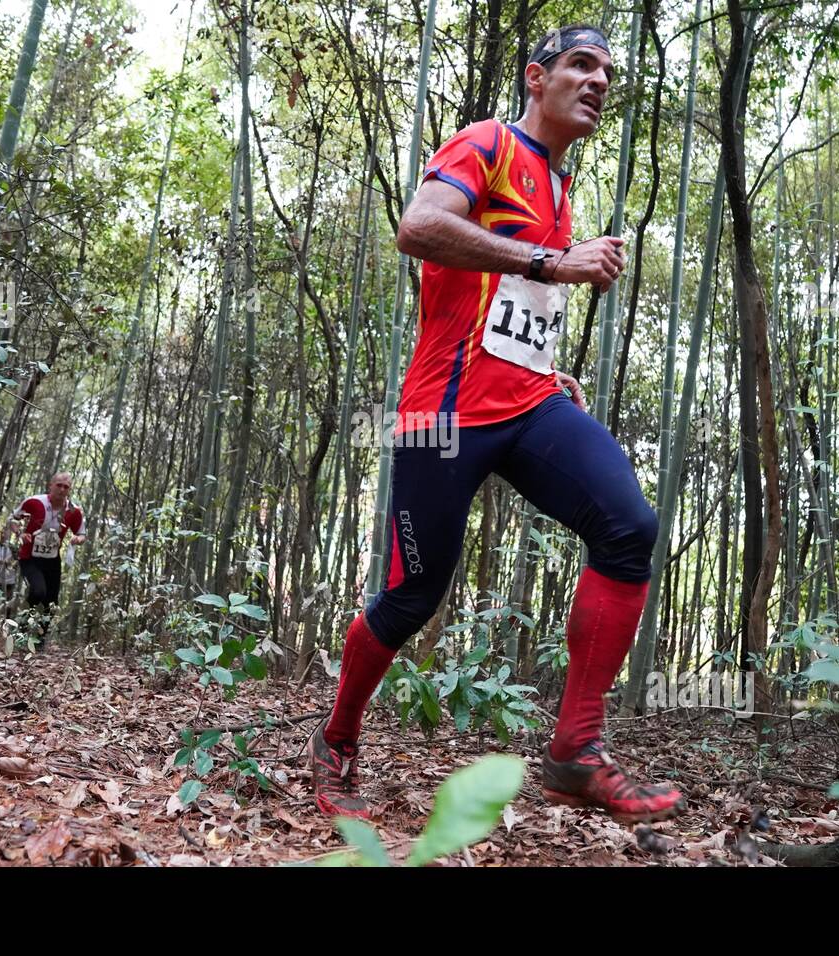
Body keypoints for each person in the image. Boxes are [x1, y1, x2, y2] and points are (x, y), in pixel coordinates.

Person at [308, 24, 684, 824]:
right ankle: (338, 737)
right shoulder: (485, 143)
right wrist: (553, 263)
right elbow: (418, 227)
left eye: (606, 73)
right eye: (580, 67)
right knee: (413, 596)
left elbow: (511, 304)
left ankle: (575, 755)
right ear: (535, 78)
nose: (598, 82)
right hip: (442, 414)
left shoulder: (558, 185)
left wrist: (548, 363)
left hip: (529, 405)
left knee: (628, 528)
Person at [10, 472, 86, 643]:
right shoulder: (34, 502)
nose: (61, 489)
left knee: (52, 600)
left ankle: (40, 640)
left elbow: (82, 534)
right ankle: (22, 631)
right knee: (38, 591)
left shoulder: (73, 511)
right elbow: (13, 520)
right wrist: (21, 534)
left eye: (66, 487)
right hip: (29, 557)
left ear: (69, 490)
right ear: (50, 485)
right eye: (58, 485)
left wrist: (77, 540)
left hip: (52, 559)